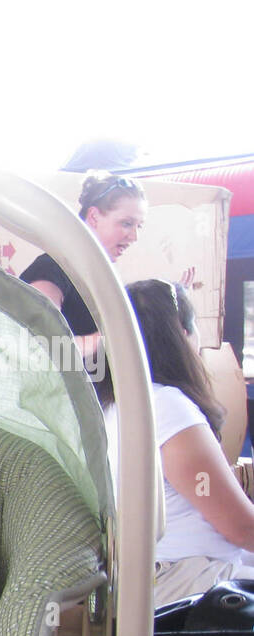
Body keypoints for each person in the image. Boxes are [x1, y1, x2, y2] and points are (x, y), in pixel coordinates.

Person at [100, 280, 254, 605]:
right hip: (189, 579)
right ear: (183, 336)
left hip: (163, 575)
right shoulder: (167, 406)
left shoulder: (113, 405)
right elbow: (241, 528)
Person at [20, 172, 147, 351]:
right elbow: (41, 346)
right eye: (126, 223)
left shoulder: (99, 278)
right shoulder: (52, 269)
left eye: (139, 226)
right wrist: (112, 337)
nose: (134, 236)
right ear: (94, 216)